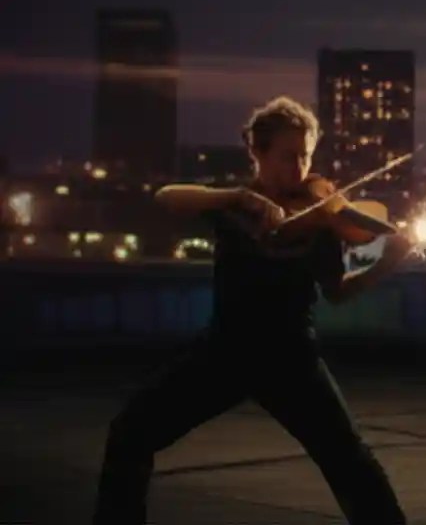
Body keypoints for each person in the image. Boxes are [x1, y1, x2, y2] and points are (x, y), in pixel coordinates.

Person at [93, 96, 410, 525]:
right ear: (257, 154)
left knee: (350, 461)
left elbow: (335, 291)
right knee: (129, 435)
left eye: (305, 156)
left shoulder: (320, 220)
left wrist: (388, 260)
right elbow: (166, 197)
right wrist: (237, 196)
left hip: (293, 356)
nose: (298, 169)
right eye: (286, 157)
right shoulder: (233, 207)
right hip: (225, 351)